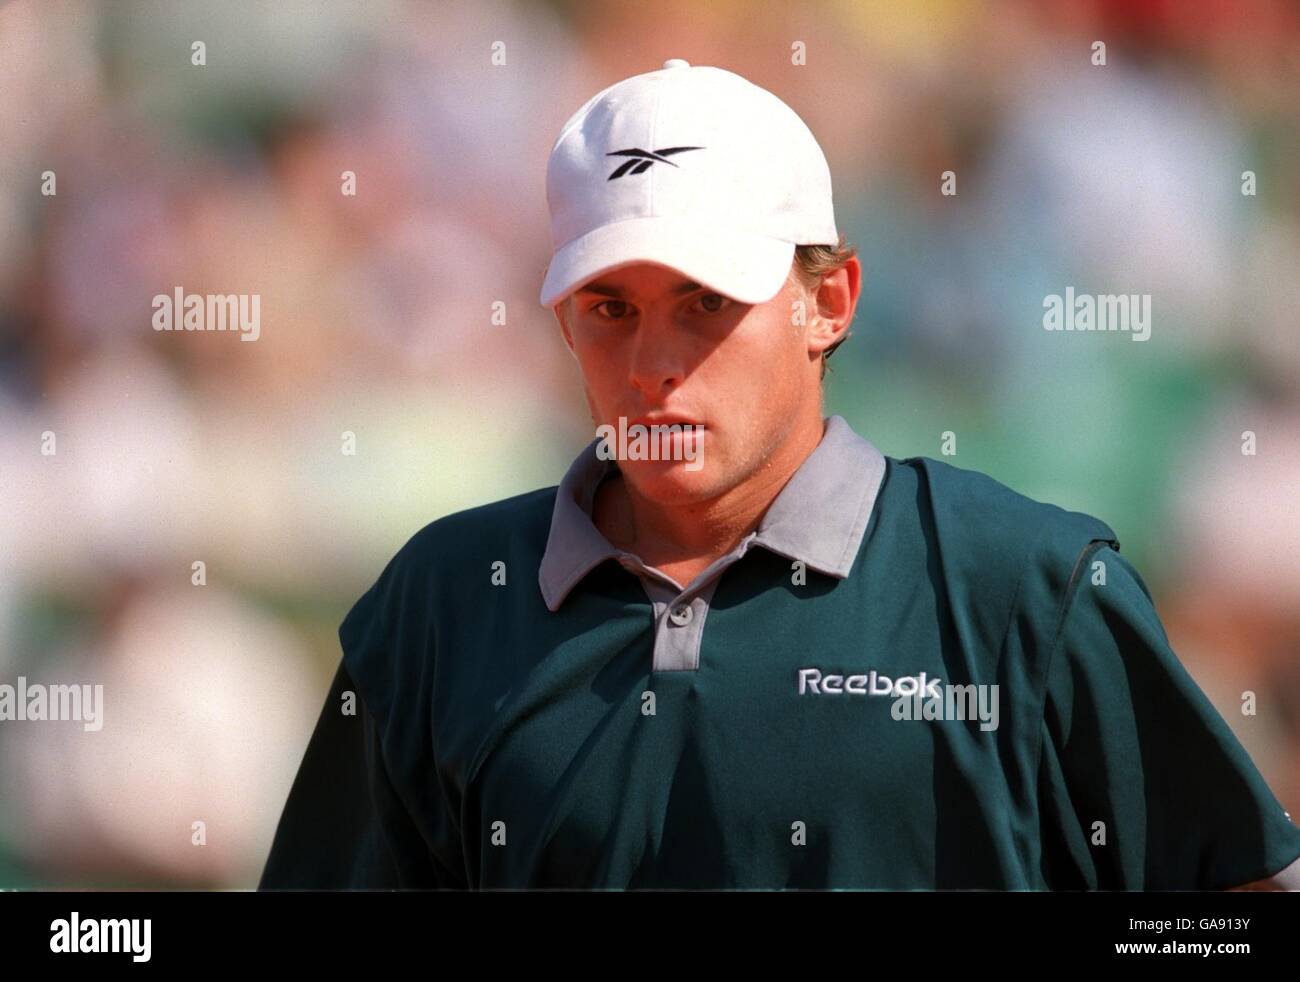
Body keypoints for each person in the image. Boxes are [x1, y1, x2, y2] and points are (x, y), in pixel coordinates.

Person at [259, 59, 1300, 890]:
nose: (654, 361)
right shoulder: (440, 601)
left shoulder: (1027, 584)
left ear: (829, 303)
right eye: (610, 309)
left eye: (707, 302)